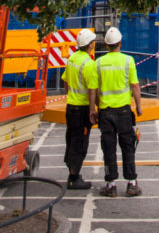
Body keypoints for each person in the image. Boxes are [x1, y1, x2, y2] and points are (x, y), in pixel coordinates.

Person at [90, 26, 143, 198]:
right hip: (123, 112)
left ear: (106, 45)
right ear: (120, 43)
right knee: (128, 146)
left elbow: (94, 89)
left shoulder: (98, 63)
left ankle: (111, 185)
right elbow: (135, 86)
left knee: (109, 147)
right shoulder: (128, 61)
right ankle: (131, 183)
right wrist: (139, 106)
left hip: (106, 112)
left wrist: (94, 108)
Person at [62, 28, 97, 190]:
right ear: (90, 45)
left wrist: (70, 95)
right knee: (80, 142)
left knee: (71, 139)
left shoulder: (72, 59)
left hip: (71, 107)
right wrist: (92, 110)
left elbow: (66, 81)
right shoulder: (88, 64)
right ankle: (73, 177)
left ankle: (72, 170)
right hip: (82, 109)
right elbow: (92, 90)